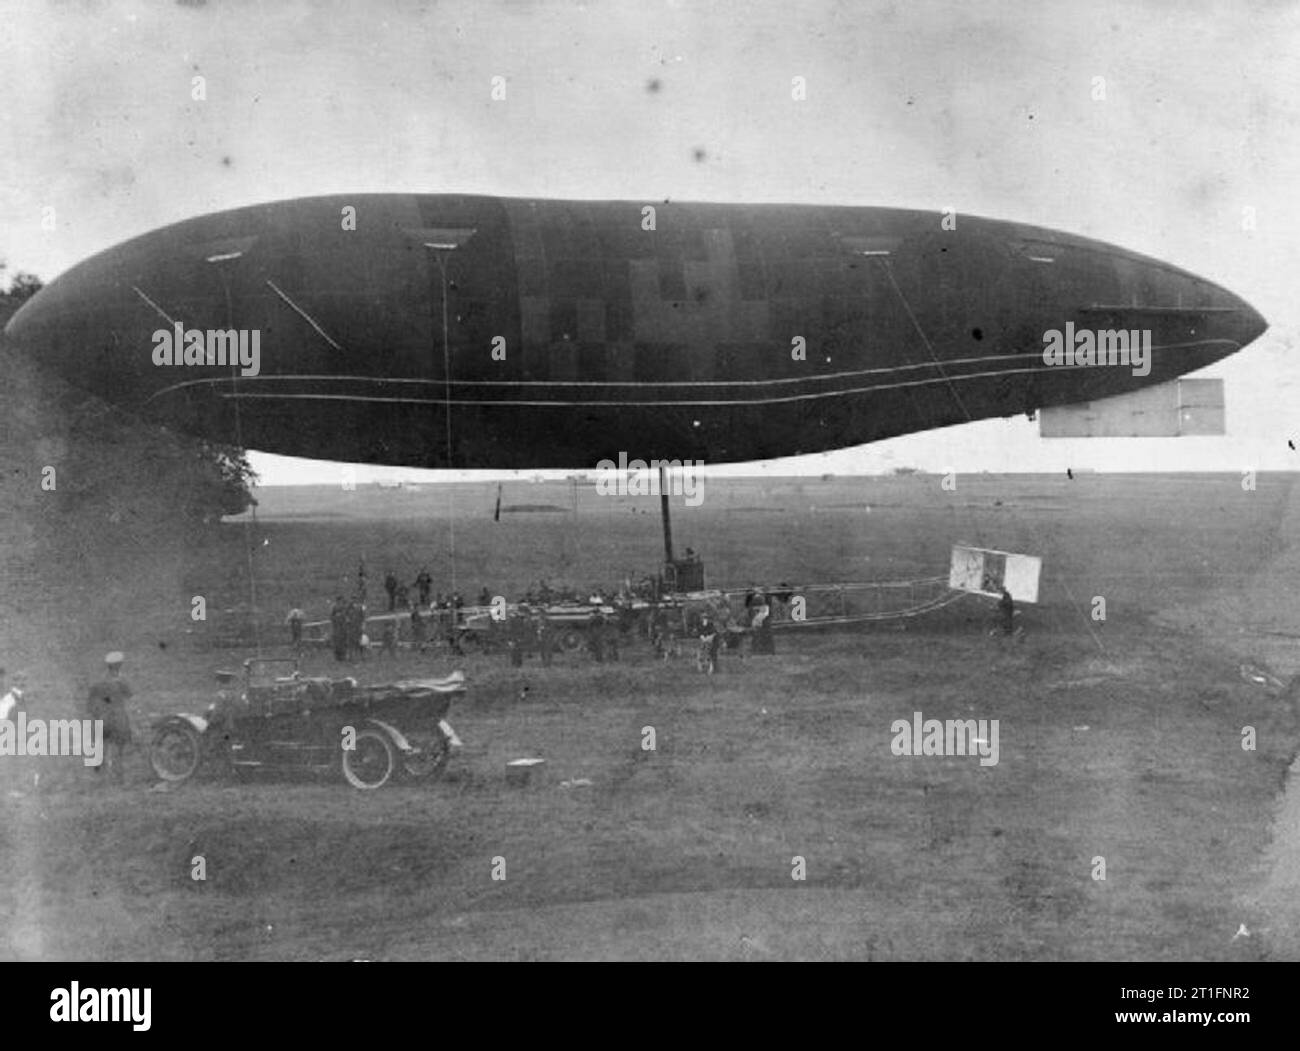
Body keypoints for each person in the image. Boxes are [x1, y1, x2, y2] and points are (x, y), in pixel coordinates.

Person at [87, 652, 133, 782]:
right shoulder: (122, 681)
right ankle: (118, 776)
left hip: (103, 717)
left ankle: (102, 776)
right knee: (118, 749)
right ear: (120, 665)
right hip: (118, 718)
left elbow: (90, 702)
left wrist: (96, 715)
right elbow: (129, 695)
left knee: (103, 746)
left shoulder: (99, 681)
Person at [329, 596, 348, 662]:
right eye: (340, 600)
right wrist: (336, 617)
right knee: (336, 642)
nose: (341, 602)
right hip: (336, 627)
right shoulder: (334, 606)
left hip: (343, 626)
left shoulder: (344, 606)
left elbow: (346, 615)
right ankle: (336, 657)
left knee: (343, 641)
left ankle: (343, 656)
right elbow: (331, 616)